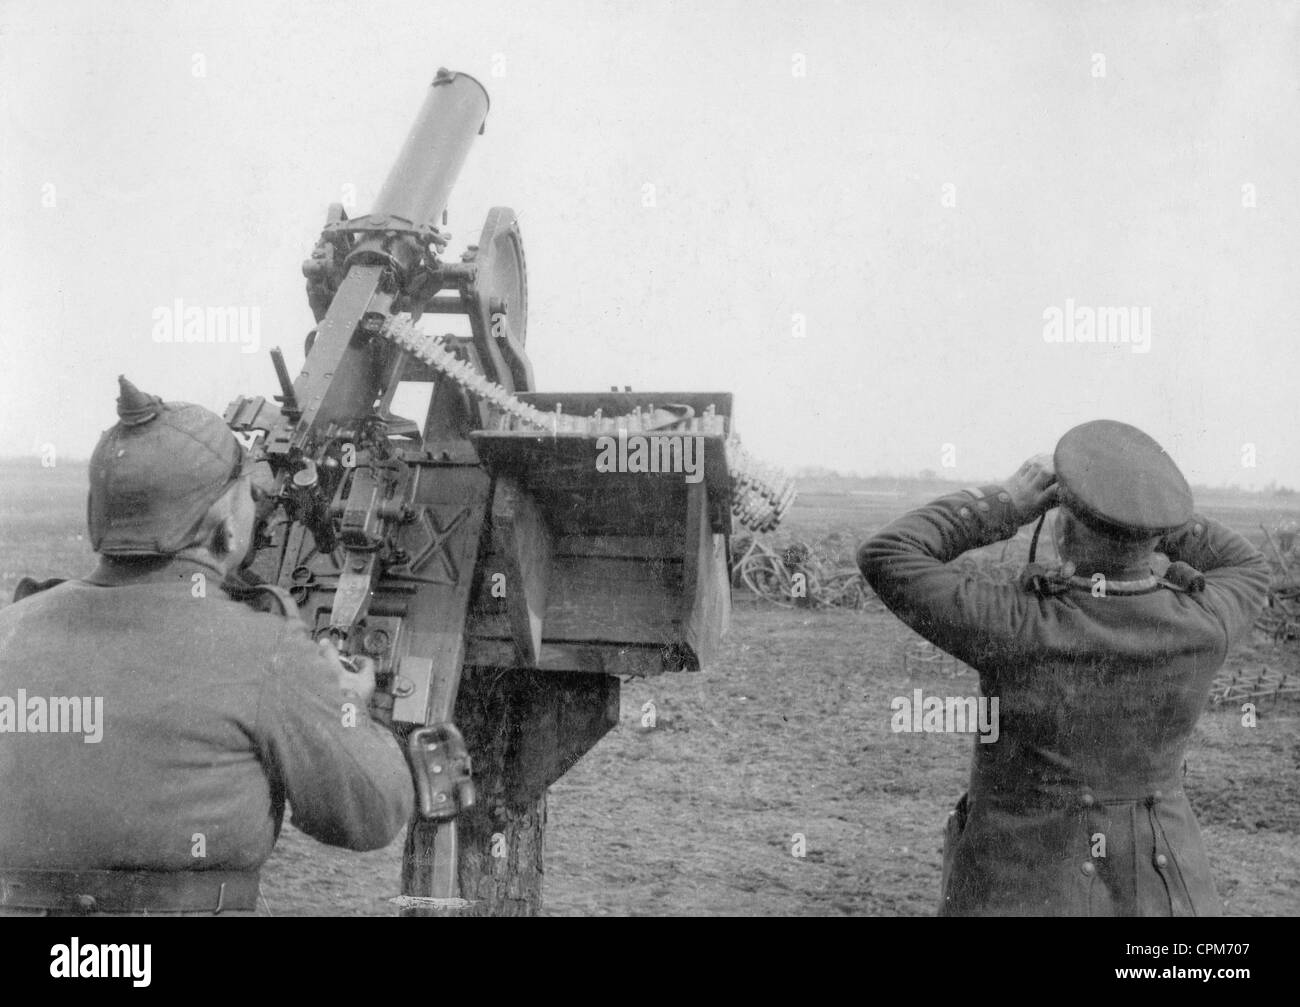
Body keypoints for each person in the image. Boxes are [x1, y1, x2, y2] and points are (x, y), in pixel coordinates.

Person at [0, 377, 413, 916]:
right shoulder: (261, 650)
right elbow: (374, 809)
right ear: (223, 527)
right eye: (246, 492)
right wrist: (347, 707)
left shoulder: (12, 629)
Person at [858, 419, 1270, 916]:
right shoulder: (1206, 621)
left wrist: (1008, 501)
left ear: (1063, 525)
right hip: (1166, 888)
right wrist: (1141, 507)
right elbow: (1248, 565)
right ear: (1155, 536)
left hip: (1020, 886)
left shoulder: (1017, 624)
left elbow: (887, 553)